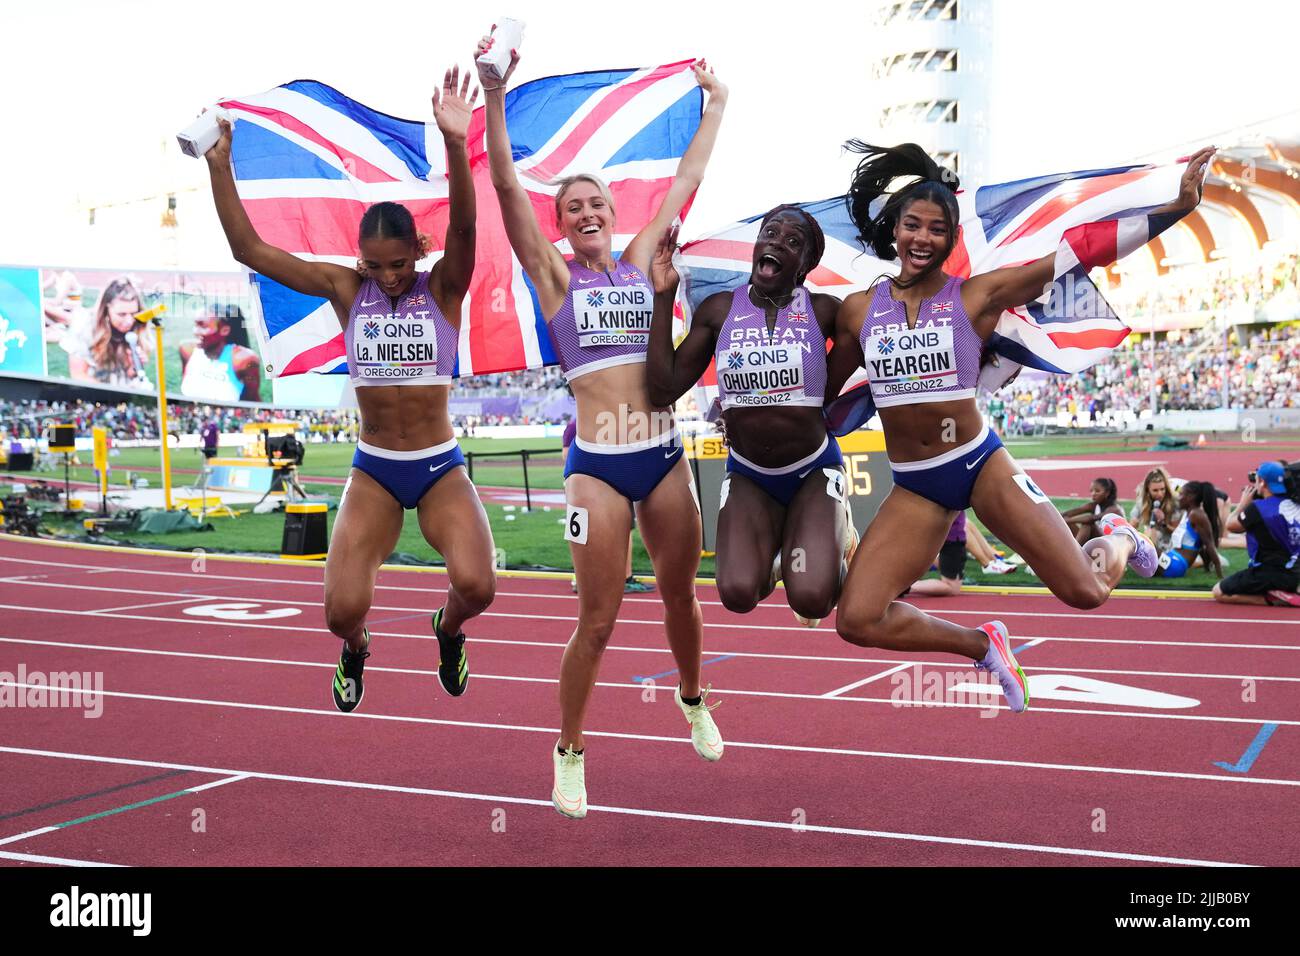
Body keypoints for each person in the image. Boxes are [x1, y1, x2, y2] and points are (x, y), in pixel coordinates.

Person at [825, 141, 1213, 713]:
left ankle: (1121, 536)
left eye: (936, 229)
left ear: (950, 239)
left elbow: (1073, 256)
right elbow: (820, 390)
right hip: (917, 485)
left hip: (979, 466)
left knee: (1084, 590)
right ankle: (984, 645)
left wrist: (1173, 209)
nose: (922, 238)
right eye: (912, 225)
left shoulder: (976, 296)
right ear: (895, 228)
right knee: (857, 618)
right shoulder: (858, 309)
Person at [476, 37, 727, 818]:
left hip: (661, 455)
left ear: (615, 215)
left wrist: (717, 104)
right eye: (574, 207)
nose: (587, 213)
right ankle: (571, 749)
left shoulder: (642, 257)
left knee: (684, 596)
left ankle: (691, 696)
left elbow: (686, 179)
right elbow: (509, 190)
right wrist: (492, 97)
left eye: (598, 205)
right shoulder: (553, 278)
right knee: (600, 617)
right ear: (563, 225)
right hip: (597, 467)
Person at [205, 67, 496, 709]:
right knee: (340, 611)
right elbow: (249, 248)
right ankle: (356, 647)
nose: (389, 277)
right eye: (377, 265)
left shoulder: (442, 289)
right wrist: (219, 165)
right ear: (360, 257)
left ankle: (446, 631)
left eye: (400, 264)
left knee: (478, 587)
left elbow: (469, 231)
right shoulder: (347, 290)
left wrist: (454, 142)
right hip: (376, 469)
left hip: (438, 466)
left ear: (418, 252)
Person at [562, 413, 653, 595]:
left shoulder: (602, 420)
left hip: (600, 481)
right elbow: (566, 454)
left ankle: (610, 577)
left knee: (616, 528)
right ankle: (586, 578)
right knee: (584, 532)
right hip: (586, 484)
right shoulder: (578, 424)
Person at [1213, 462, 1300, 606]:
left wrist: (1242, 504)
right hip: (1295, 571)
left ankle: (1276, 598)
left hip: (1273, 572)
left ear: (1262, 482)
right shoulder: (1295, 503)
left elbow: (1230, 526)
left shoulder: (1258, 508)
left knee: (1219, 592)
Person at [66, 277, 153, 388]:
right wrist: (113, 395)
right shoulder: (84, 326)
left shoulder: (138, 326)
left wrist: (133, 367)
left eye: (133, 314)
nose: (129, 321)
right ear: (106, 309)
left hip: (125, 387)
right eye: (122, 314)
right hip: (94, 388)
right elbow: (78, 375)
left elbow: (131, 375)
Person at [179, 305, 262, 401]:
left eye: (203, 326)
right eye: (196, 325)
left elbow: (252, 400)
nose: (196, 332)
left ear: (224, 330)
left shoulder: (243, 360)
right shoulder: (187, 350)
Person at [1154, 480, 1223, 579]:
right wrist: (1163, 524)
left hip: (1175, 565)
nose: (1178, 498)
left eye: (1181, 494)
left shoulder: (1197, 515)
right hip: (1170, 559)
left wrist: (1219, 574)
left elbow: (1209, 545)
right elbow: (1197, 545)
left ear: (1191, 497)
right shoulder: (1189, 513)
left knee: (1144, 543)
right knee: (1141, 546)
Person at [1060, 478, 1122, 545]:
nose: (1093, 494)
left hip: (1115, 544)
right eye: (1091, 491)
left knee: (1088, 524)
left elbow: (1090, 518)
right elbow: (1067, 513)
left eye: (1097, 491)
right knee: (1066, 520)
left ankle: (1075, 551)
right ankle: (1067, 546)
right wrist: (1057, 517)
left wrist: (1066, 520)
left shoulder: (1115, 509)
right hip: (1101, 540)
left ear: (1107, 493)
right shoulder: (1093, 506)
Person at [1131, 467, 1181, 551]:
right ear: (1148, 490)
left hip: (1173, 542)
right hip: (1153, 539)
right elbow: (1132, 524)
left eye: (1162, 489)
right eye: (1155, 490)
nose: (1160, 494)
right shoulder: (1142, 503)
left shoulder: (1174, 503)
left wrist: (1163, 522)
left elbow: (1177, 533)